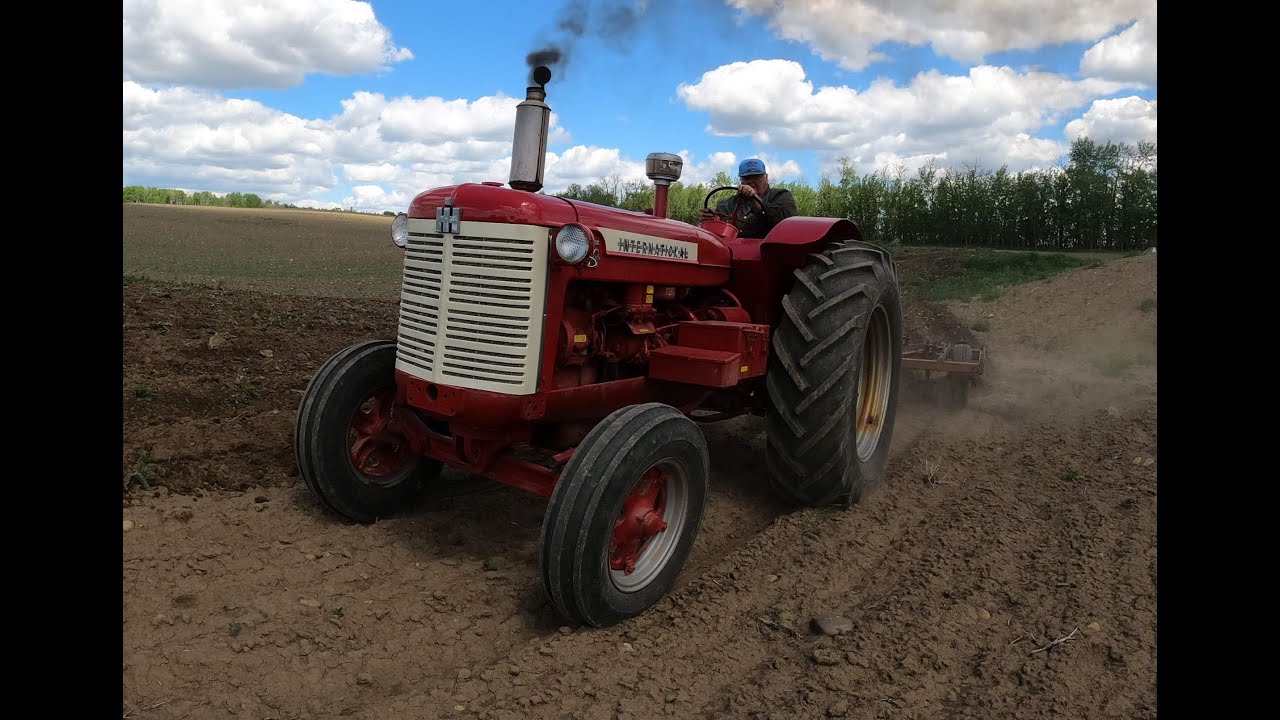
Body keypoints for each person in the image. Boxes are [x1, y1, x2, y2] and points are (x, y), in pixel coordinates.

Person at [699, 158, 798, 238]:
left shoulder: (781, 196)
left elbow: (787, 224)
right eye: (746, 178)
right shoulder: (726, 204)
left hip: (767, 254)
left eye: (756, 177)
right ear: (741, 180)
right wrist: (712, 220)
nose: (751, 181)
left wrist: (756, 201)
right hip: (732, 254)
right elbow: (717, 235)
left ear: (766, 178)